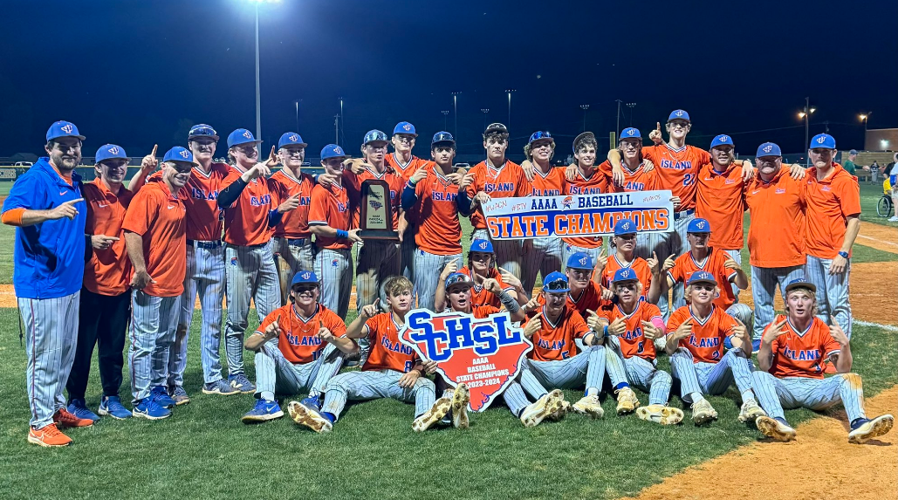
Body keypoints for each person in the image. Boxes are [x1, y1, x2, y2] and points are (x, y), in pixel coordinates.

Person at [135, 124, 242, 402]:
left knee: (214, 321)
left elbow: (245, 168)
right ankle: (175, 380)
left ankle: (213, 377)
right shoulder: (178, 172)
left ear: (216, 145)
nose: (205, 145)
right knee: (182, 322)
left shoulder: (222, 172)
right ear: (190, 144)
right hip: (189, 252)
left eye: (210, 141)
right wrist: (145, 169)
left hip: (217, 250)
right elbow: (140, 189)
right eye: (199, 141)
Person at [3, 121, 93, 446]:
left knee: (65, 352)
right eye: (62, 145)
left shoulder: (74, 181)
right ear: (48, 149)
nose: (70, 150)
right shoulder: (37, 178)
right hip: (42, 285)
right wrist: (49, 214)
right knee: (45, 355)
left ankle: (56, 409)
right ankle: (39, 425)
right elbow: (9, 214)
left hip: (69, 284)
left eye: (75, 144)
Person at [286, 277, 450, 433]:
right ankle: (325, 418)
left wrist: (416, 372)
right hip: (373, 376)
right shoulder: (379, 320)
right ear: (388, 300)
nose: (402, 298)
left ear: (412, 298)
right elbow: (352, 333)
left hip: (402, 380)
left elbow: (422, 360)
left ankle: (423, 419)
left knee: (426, 386)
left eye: (406, 294)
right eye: (397, 294)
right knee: (337, 381)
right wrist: (363, 317)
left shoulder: (419, 326)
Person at [65, 144, 149, 421]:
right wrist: (91, 241)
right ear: (97, 167)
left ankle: (110, 396)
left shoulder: (129, 197)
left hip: (121, 284)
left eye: (121, 163)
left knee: (114, 347)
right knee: (83, 347)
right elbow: (67, 230)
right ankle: (75, 399)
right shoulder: (87, 192)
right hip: (90, 283)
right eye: (109, 164)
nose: (117, 168)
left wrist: (146, 169)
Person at [752, 280, 894, 444]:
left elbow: (843, 369)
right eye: (794, 298)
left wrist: (845, 345)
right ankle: (778, 422)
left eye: (805, 298)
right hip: (784, 387)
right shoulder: (776, 326)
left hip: (815, 388)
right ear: (787, 303)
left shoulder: (822, 328)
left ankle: (859, 424)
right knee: (758, 376)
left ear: (812, 303)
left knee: (852, 377)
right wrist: (767, 343)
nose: (799, 303)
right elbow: (764, 366)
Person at [217, 128, 293, 393]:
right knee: (237, 320)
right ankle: (237, 373)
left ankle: (272, 369)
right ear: (233, 152)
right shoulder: (230, 175)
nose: (251, 149)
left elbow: (263, 218)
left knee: (272, 318)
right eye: (245, 147)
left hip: (265, 252)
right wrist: (250, 173)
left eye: (254, 145)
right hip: (240, 253)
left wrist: (278, 212)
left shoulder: (262, 178)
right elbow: (222, 201)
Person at [123, 146, 193, 420]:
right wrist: (139, 269)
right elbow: (131, 231)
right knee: (143, 343)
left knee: (164, 340)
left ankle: (158, 387)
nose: (183, 172)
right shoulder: (151, 193)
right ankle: (140, 400)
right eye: (177, 166)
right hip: (150, 283)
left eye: (187, 168)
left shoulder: (178, 195)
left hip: (173, 283)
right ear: (164, 167)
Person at [241, 271, 357, 423]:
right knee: (264, 346)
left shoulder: (328, 316)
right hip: (288, 374)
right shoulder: (281, 314)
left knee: (336, 347)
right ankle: (267, 403)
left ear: (318, 291)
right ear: (292, 293)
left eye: (311, 287)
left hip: (316, 375)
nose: (306, 291)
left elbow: (352, 348)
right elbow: (249, 344)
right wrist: (266, 337)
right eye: (301, 288)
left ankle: (314, 399)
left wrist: (331, 338)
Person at [665, 271, 765, 425]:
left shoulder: (722, 316)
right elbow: (669, 350)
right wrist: (676, 336)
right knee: (679, 352)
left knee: (735, 353)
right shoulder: (679, 316)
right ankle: (698, 402)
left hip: (714, 375)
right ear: (689, 292)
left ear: (714, 294)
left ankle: (749, 402)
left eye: (708, 288)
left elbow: (744, 352)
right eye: (698, 287)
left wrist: (746, 339)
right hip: (689, 373)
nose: (703, 291)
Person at [594, 268, 684, 425]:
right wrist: (609, 329)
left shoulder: (648, 308)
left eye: (630, 286)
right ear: (614, 290)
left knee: (664, 376)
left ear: (638, 289)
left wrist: (657, 332)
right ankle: (624, 392)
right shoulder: (607, 309)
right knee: (608, 340)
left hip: (641, 364)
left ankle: (655, 408)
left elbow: (660, 325)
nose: (626, 291)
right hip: (616, 364)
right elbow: (601, 326)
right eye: (621, 287)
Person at [518, 272, 609, 419]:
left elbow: (592, 341)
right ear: (543, 294)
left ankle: (590, 398)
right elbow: (515, 349)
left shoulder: (572, 315)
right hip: (540, 370)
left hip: (567, 368)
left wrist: (599, 333)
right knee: (518, 362)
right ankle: (546, 400)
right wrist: (525, 334)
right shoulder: (532, 315)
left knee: (598, 349)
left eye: (562, 295)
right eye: (553, 295)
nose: (557, 300)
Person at [744, 142, 808, 342]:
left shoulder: (796, 179)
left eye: (773, 159)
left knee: (797, 303)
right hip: (760, 256)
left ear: (781, 160)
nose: (768, 163)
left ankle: (798, 338)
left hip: (791, 257)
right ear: (757, 162)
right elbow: (726, 163)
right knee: (762, 303)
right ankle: (763, 338)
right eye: (763, 160)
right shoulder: (751, 183)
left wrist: (798, 168)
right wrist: (743, 162)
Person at [803, 134, 860, 338]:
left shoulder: (843, 180)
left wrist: (842, 254)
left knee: (838, 304)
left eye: (825, 151)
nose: (820, 155)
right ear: (810, 153)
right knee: (820, 304)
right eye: (816, 151)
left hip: (833, 254)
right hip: (811, 253)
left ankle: (839, 351)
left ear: (834, 153)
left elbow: (854, 220)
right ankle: (825, 345)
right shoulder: (808, 176)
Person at [401, 131, 466, 310]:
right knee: (427, 303)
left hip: (454, 249)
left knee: (455, 304)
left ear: (454, 153)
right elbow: (406, 203)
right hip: (428, 250)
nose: (444, 153)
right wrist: (412, 182)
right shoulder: (425, 175)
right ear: (433, 153)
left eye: (448, 149)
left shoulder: (458, 178)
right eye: (439, 149)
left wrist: (461, 190)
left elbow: (465, 211)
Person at [458, 123, 530, 280]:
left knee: (510, 279)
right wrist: (476, 198)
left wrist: (528, 237)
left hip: (508, 231)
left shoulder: (517, 171)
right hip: (483, 230)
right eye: (492, 142)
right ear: (485, 144)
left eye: (500, 142)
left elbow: (526, 206)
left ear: (506, 145)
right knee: (480, 280)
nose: (496, 146)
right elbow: (465, 211)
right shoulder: (475, 171)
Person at [345, 130, 404, 315]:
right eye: (374, 147)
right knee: (367, 301)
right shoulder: (354, 175)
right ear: (364, 149)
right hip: (367, 242)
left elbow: (401, 210)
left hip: (392, 243)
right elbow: (332, 170)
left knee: (390, 299)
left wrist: (400, 230)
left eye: (382, 146)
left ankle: (385, 342)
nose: (379, 151)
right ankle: (365, 344)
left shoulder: (395, 176)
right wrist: (349, 163)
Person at [695, 135, 748, 301]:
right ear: (710, 152)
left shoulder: (741, 173)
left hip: (729, 246)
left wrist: (745, 162)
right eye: (719, 149)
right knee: (702, 295)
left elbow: (771, 168)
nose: (723, 152)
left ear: (733, 151)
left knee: (730, 295)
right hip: (703, 245)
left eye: (727, 149)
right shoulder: (701, 171)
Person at [308, 145, 359, 318]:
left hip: (345, 253)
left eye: (340, 161)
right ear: (323, 163)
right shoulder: (320, 190)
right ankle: (320, 346)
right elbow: (315, 227)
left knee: (340, 316)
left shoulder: (344, 186)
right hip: (328, 254)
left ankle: (336, 347)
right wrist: (345, 234)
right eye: (333, 161)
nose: (338, 164)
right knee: (327, 313)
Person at [662, 218, 749, 313]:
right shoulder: (682, 261)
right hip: (696, 316)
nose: (700, 239)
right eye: (696, 235)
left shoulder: (720, 256)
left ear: (709, 237)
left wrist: (739, 271)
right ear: (688, 237)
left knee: (743, 311)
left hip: (723, 314)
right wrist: (662, 273)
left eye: (704, 235)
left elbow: (743, 285)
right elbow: (663, 288)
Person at [268, 132, 315, 306]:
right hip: (283, 245)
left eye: (299, 150)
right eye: (291, 150)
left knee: (309, 297)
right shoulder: (275, 181)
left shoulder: (310, 180)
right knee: (282, 299)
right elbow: (269, 219)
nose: (296, 154)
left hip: (307, 246)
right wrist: (281, 209)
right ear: (280, 155)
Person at [519, 132, 565, 298]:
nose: (543, 148)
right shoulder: (523, 173)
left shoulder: (561, 174)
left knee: (553, 286)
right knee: (526, 287)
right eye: (538, 145)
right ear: (530, 151)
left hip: (554, 236)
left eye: (547, 144)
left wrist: (573, 165)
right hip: (532, 237)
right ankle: (524, 323)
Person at [385, 121, 429, 282]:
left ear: (414, 142)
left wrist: (459, 171)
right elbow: (358, 164)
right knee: (387, 277)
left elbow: (444, 167)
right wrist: (351, 162)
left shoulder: (420, 164)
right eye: (401, 137)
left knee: (408, 279)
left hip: (414, 228)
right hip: (387, 228)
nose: (406, 140)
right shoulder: (384, 160)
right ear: (393, 140)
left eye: (410, 137)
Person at [434, 239, 525, 312]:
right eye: (477, 256)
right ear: (471, 259)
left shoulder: (495, 277)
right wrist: (442, 278)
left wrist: (519, 288)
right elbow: (439, 308)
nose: (481, 260)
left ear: (491, 259)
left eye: (486, 256)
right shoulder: (462, 275)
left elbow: (522, 305)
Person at [561, 132, 608, 264]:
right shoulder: (566, 174)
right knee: (572, 282)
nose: (588, 155)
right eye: (584, 151)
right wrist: (526, 162)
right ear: (576, 155)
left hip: (595, 243)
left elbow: (616, 154)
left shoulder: (602, 175)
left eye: (591, 151)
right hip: (572, 242)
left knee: (594, 283)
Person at [595, 219, 661, 304]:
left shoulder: (644, 266)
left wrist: (655, 274)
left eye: (632, 237)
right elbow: (594, 295)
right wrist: (598, 271)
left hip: (639, 315)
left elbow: (652, 301)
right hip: (612, 315)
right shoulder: (605, 265)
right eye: (625, 237)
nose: (629, 240)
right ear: (614, 239)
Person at [889, 154, 898, 222]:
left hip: (895, 186)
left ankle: (896, 216)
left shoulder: (897, 164)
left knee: (895, 201)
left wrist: (896, 185)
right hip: (894, 184)